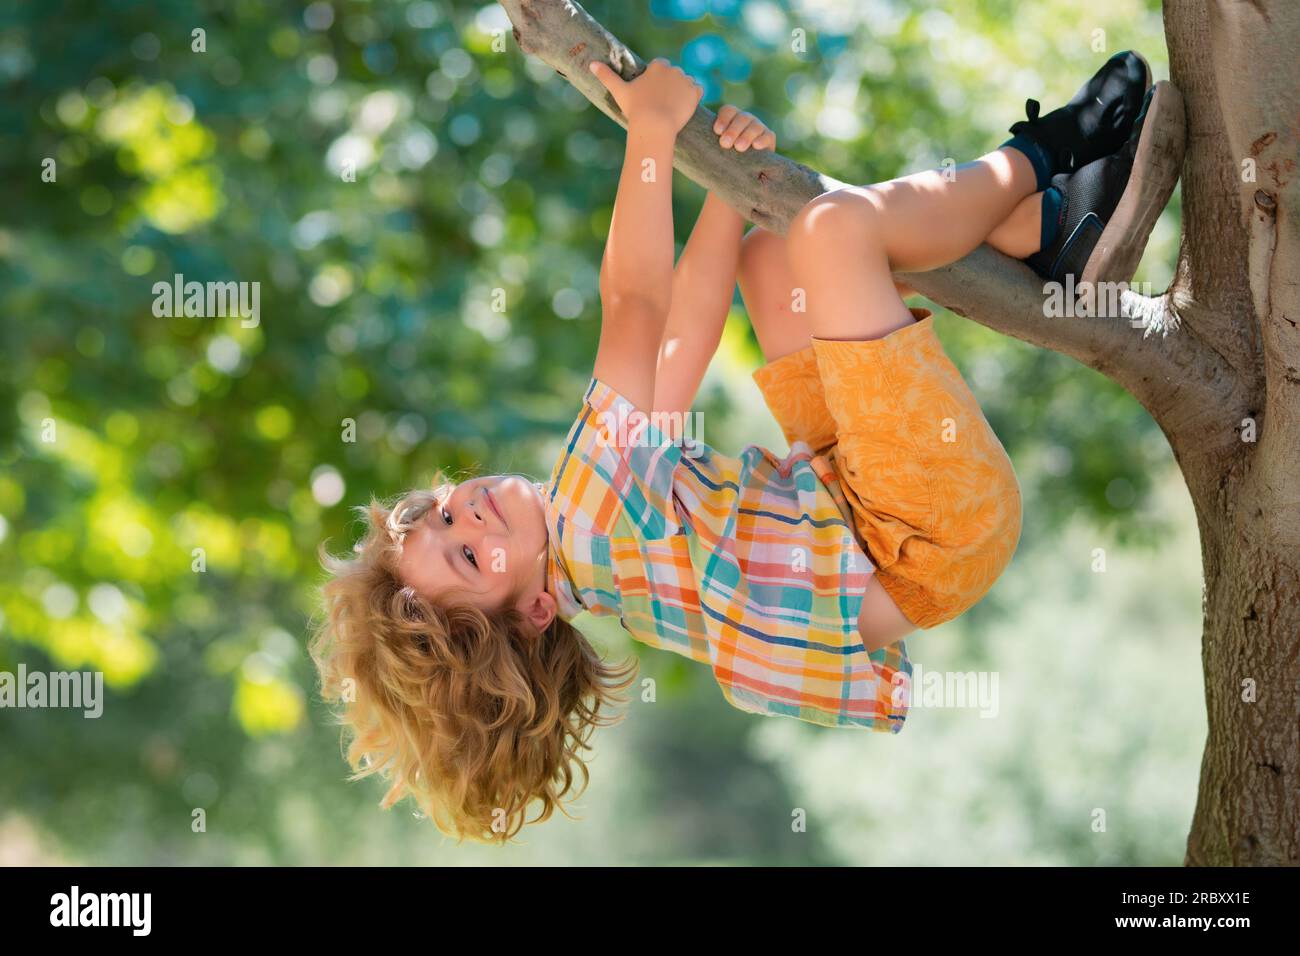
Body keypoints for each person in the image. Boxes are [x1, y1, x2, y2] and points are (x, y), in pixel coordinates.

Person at [311, 50, 1174, 842]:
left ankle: (1045, 239)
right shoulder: (587, 517)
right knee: (835, 233)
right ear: (534, 613)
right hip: (926, 529)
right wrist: (650, 133)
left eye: (443, 510)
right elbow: (637, 307)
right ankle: (1052, 150)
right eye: (468, 555)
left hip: (868, 510)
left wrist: (727, 187)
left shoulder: (598, 556)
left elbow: (680, 348)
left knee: (773, 258)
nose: (470, 510)